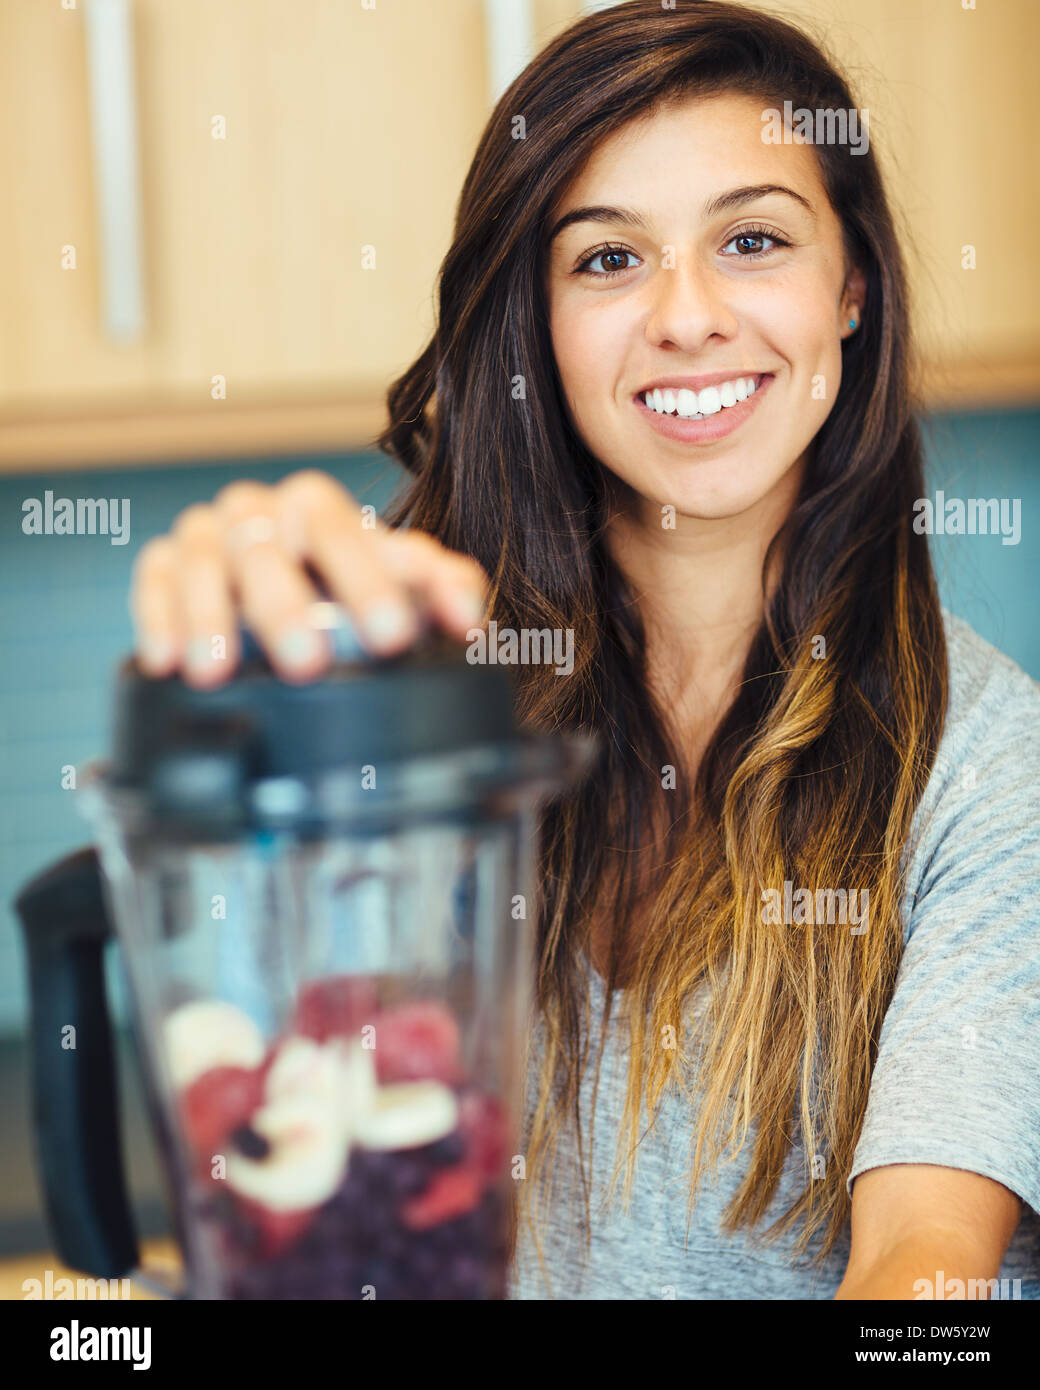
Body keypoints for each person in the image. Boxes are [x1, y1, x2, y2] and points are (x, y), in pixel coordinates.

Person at [129, 0, 1040, 1299]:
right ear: (537, 326)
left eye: (754, 238)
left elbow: (925, 1264)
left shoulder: (988, 760)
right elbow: (305, 1179)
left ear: (851, 290)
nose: (686, 316)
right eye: (608, 261)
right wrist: (273, 683)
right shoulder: (436, 726)